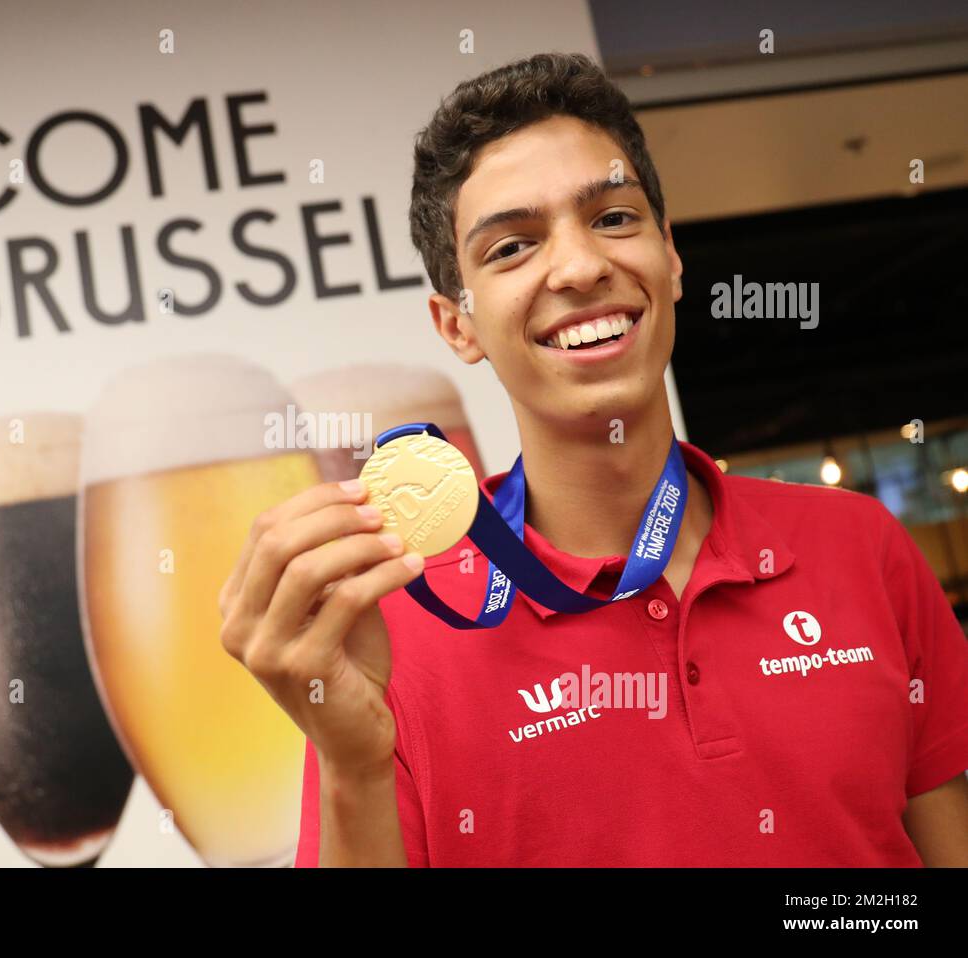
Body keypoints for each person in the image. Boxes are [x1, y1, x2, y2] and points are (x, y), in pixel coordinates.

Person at [218, 52, 968, 866]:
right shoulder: (393, 626)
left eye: (613, 218)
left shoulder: (863, 546)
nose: (580, 267)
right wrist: (353, 767)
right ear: (455, 325)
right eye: (511, 248)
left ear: (671, 256)